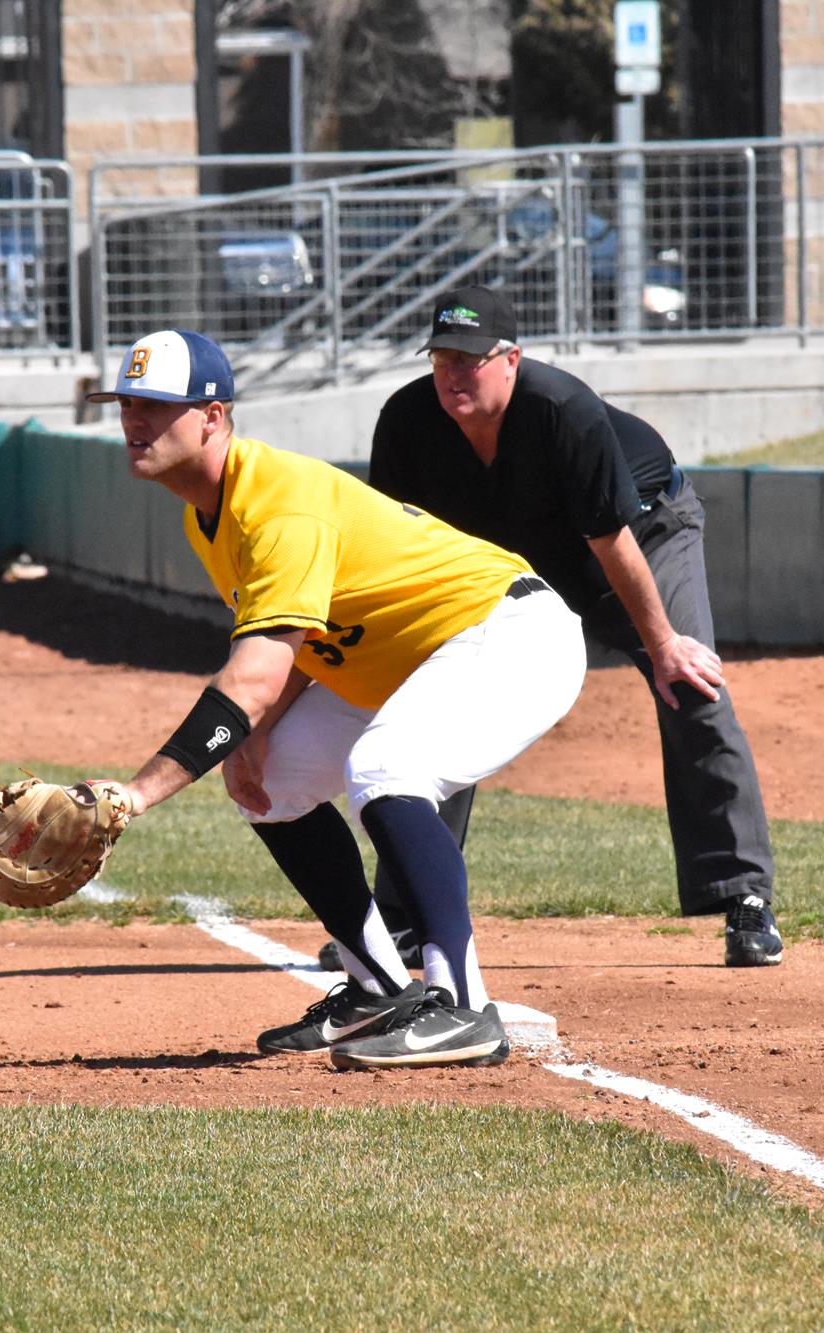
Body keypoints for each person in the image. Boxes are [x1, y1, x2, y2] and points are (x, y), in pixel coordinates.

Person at [85, 328, 586, 1069]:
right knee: (272, 783)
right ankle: (379, 985)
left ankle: (463, 1005)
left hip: (507, 633)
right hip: (408, 659)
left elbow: (252, 678)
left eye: (155, 405)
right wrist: (255, 733)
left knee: (386, 769)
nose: (134, 420)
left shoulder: (276, 506)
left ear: (213, 417)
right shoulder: (208, 512)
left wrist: (132, 796)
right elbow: (295, 641)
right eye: (126, 403)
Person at [342, 284, 783, 969]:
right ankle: (406, 915)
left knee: (688, 681)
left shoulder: (560, 410)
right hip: (510, 560)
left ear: (511, 360)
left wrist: (664, 645)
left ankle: (744, 895)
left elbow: (611, 540)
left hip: (639, 535)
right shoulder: (407, 421)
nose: (453, 374)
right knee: (439, 701)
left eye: (470, 359)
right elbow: (393, 545)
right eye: (442, 359)